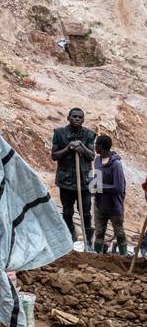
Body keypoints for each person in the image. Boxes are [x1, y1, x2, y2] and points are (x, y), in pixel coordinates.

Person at [51, 108, 96, 244]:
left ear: (83, 120)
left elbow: (92, 156)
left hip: (84, 182)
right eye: (74, 116)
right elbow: (54, 155)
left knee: (86, 214)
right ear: (68, 118)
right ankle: (70, 237)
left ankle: (88, 242)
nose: (77, 119)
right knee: (67, 212)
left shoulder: (89, 134)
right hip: (66, 182)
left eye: (80, 117)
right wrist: (68, 148)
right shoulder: (59, 133)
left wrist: (81, 146)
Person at [91, 134, 127, 255]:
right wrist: (92, 185)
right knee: (99, 232)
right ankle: (97, 258)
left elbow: (118, 188)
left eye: (96, 145)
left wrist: (99, 187)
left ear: (100, 147)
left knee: (120, 233)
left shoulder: (116, 164)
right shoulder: (97, 160)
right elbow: (96, 178)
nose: (94, 147)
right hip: (100, 204)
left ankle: (123, 258)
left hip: (113, 205)